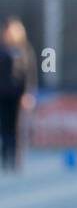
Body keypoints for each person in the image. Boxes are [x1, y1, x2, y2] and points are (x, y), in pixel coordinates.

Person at [0, 18, 37, 173]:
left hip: (18, 96)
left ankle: (16, 160)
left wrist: (28, 93)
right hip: (2, 95)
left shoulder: (25, 50)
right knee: (5, 128)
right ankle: (5, 157)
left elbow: (30, 74)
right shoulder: (1, 50)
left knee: (18, 130)